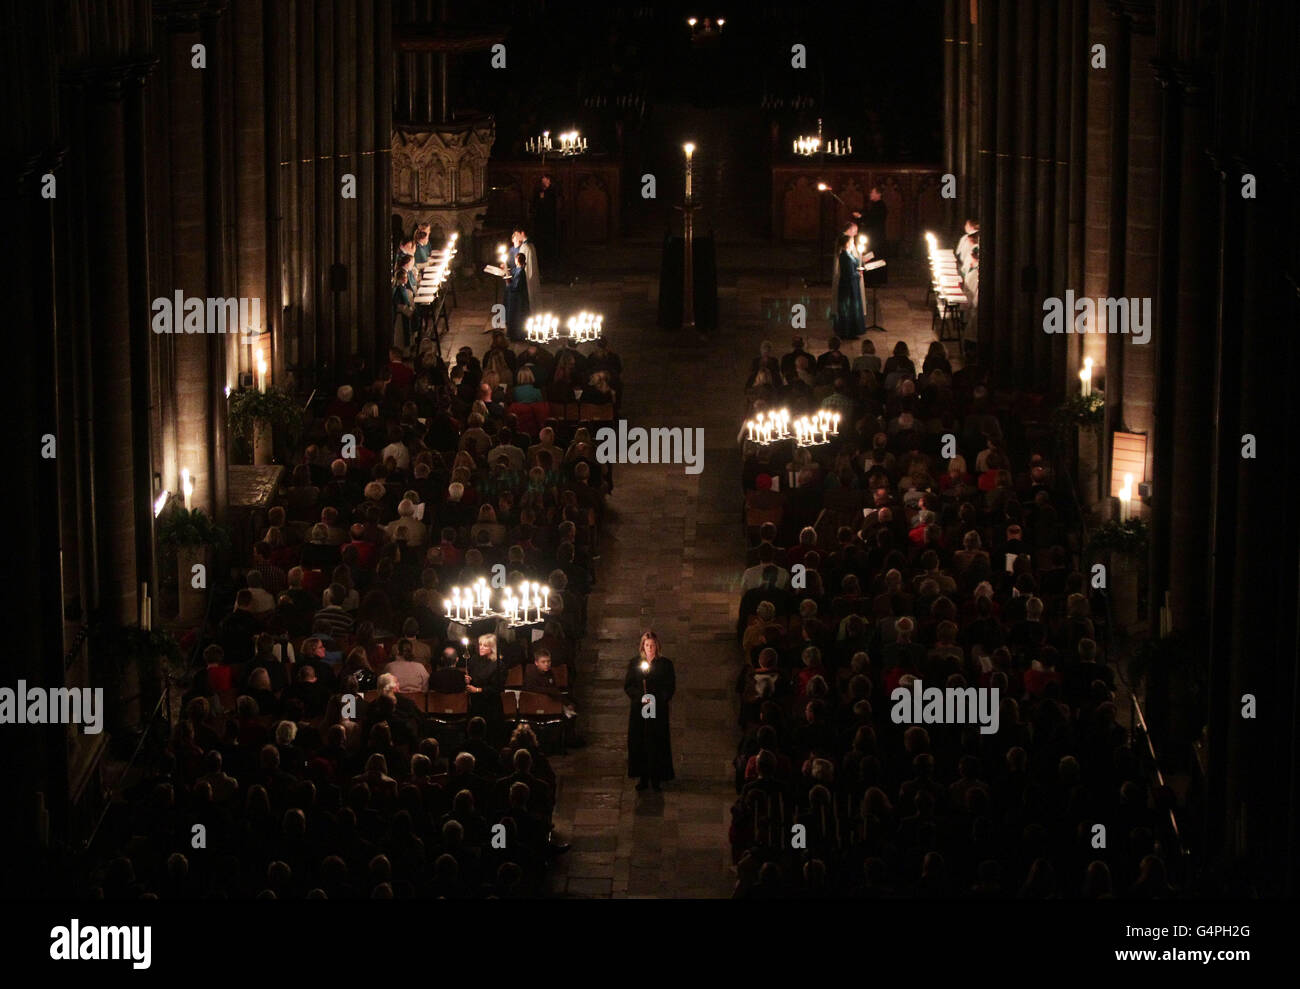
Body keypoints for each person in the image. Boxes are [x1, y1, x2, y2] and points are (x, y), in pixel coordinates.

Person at [623, 630, 676, 791]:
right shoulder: (634, 663)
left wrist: (657, 698)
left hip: (657, 709)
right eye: (647, 645)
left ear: (657, 646)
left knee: (656, 740)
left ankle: (657, 776)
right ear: (642, 646)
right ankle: (643, 776)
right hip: (640, 709)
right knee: (641, 740)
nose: (650, 648)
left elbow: (669, 686)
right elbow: (629, 685)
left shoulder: (665, 664)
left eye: (652, 645)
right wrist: (640, 697)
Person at [466, 633, 507, 743]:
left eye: (485, 645)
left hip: (491, 706)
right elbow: (472, 677)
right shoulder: (474, 660)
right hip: (476, 704)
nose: (481, 647)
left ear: (492, 648)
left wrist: (478, 690)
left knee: (491, 737)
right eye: (480, 644)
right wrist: (468, 679)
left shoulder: (498, 664)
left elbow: (497, 688)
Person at [832, 234, 865, 340]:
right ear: (847, 244)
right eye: (851, 242)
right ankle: (847, 331)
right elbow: (849, 274)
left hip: (851, 286)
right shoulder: (844, 256)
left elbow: (856, 261)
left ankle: (852, 331)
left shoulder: (848, 254)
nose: (853, 244)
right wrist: (858, 273)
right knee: (849, 308)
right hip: (848, 287)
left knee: (852, 308)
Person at [530, 175, 560, 277]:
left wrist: (543, 199)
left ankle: (550, 263)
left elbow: (552, 205)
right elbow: (534, 204)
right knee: (541, 243)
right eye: (543, 180)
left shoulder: (552, 192)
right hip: (540, 221)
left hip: (550, 221)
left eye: (546, 180)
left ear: (549, 181)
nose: (544, 182)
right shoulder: (538, 191)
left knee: (549, 243)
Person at [503, 246, 530, 342]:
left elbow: (515, 287)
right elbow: (512, 272)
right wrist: (506, 269)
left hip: (517, 300)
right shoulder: (518, 269)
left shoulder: (520, 272)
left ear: (518, 260)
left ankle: (516, 335)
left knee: (516, 317)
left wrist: (507, 283)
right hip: (515, 298)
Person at [862, 185, 887, 255]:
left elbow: (873, 220)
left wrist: (861, 217)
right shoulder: (874, 205)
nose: (870, 194)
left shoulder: (881, 206)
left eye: (872, 192)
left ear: (879, 194)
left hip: (876, 236)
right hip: (873, 235)